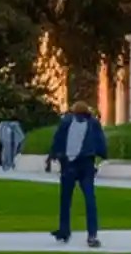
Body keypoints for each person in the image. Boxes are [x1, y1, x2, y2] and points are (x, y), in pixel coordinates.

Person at [47, 101, 109, 248]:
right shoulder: (92, 123)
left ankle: (65, 231)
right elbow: (100, 142)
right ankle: (91, 235)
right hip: (85, 164)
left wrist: (53, 155)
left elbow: (58, 139)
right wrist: (102, 155)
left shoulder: (67, 121)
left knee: (66, 199)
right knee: (89, 199)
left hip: (72, 164)